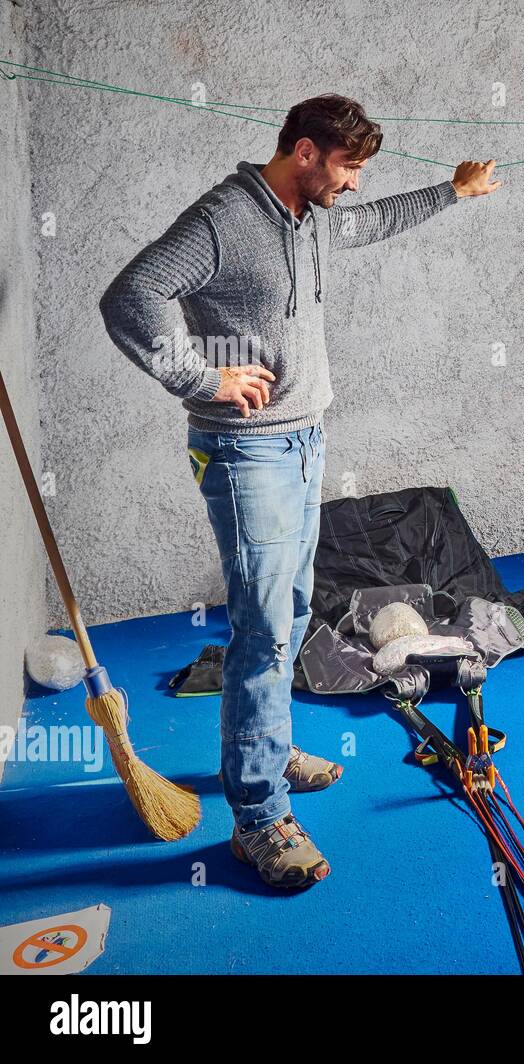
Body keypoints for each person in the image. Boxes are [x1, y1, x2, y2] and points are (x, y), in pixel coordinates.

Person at [99, 94, 500, 888]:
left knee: (290, 611)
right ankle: (258, 818)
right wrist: (199, 376)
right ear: (308, 152)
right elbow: (130, 296)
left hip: (305, 442)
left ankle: (269, 750)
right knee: (265, 633)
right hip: (248, 452)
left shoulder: (310, 216)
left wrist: (453, 191)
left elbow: (372, 222)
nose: (353, 185)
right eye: (348, 167)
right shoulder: (224, 218)